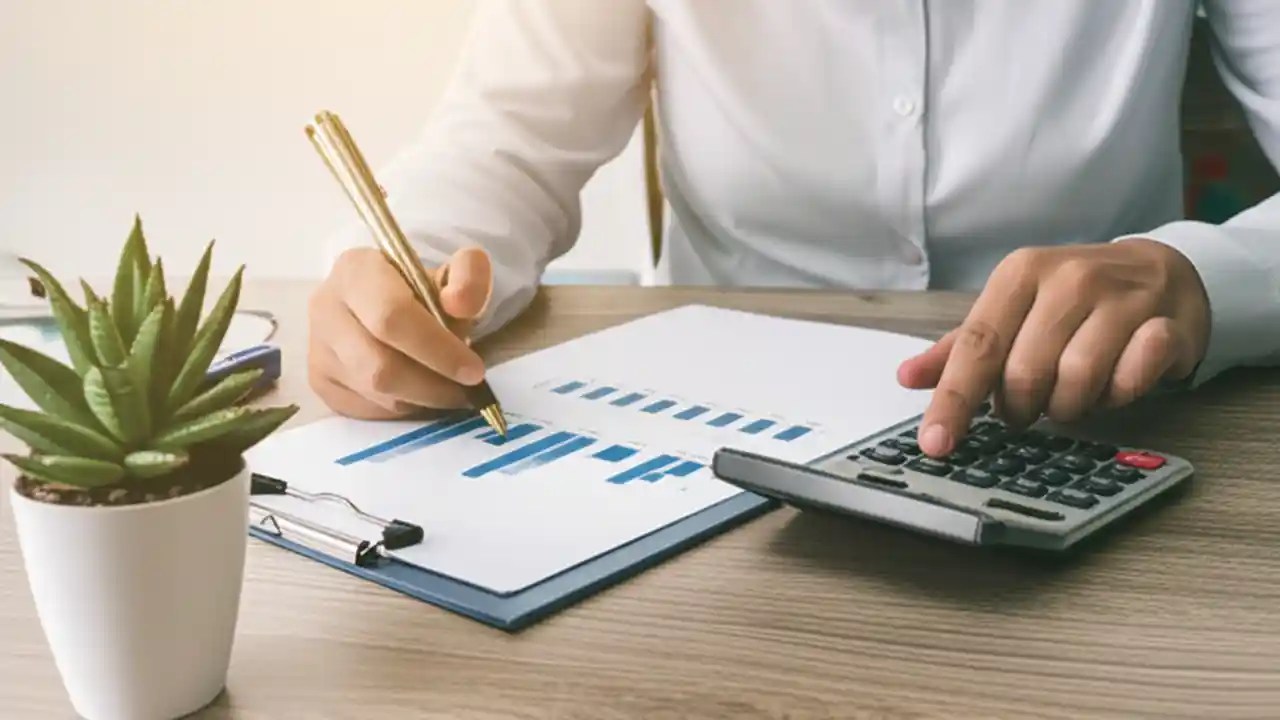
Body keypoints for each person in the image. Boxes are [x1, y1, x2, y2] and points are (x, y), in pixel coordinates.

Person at [307, 1, 1280, 458]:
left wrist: (1198, 276)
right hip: (700, 456)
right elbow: (504, 138)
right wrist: (411, 272)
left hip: (1103, 431)